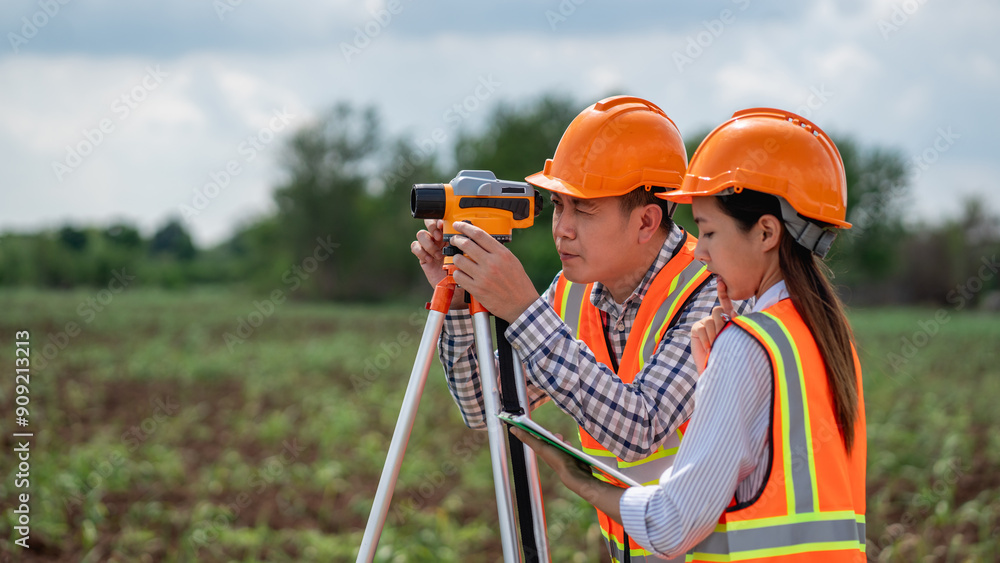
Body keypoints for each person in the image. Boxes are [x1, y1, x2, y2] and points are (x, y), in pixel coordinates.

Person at [514, 107, 867, 561]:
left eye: (709, 231)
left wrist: (583, 480)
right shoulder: (817, 339)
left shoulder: (748, 344)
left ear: (765, 233)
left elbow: (671, 524)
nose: (698, 250)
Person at [411, 95, 749, 562]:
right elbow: (483, 407)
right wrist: (457, 300)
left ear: (647, 220)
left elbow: (640, 428)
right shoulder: (572, 294)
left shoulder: (713, 290)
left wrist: (525, 312)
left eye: (584, 210)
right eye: (558, 205)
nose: (562, 229)